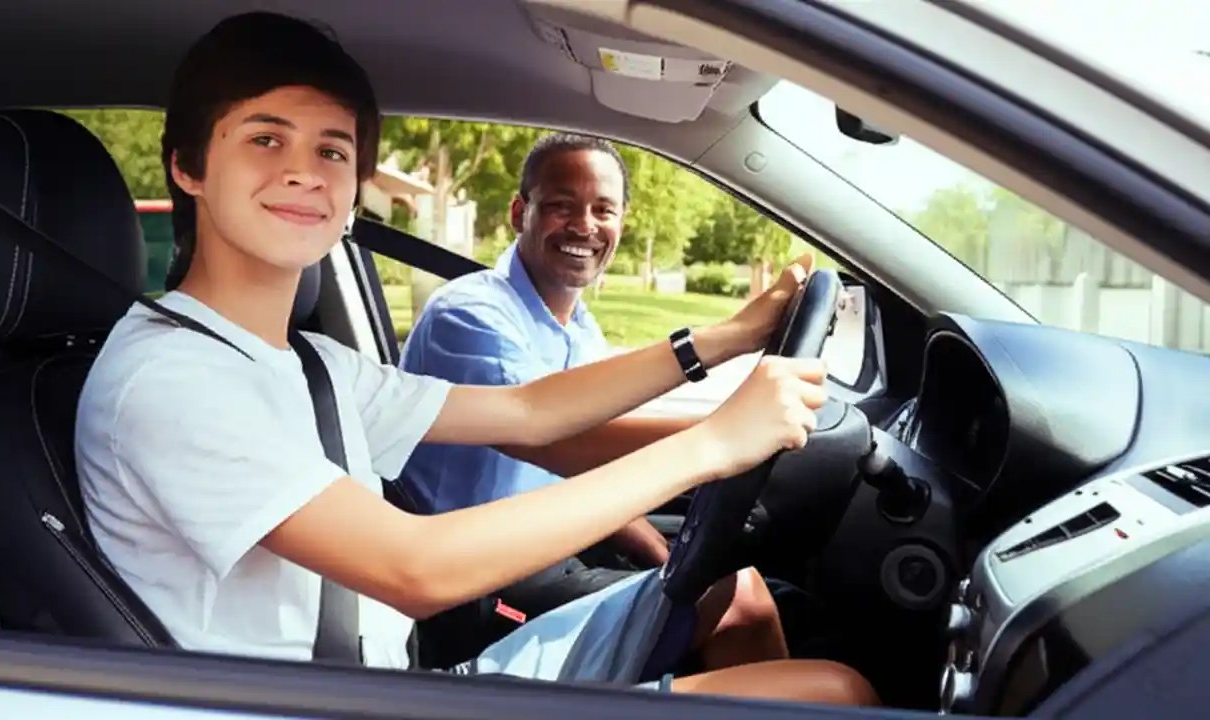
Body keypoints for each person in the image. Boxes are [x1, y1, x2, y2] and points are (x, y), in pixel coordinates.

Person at [74, 11, 877, 706]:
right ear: (187, 167)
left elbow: (532, 412)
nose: (301, 171)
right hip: (334, 701)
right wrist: (711, 445)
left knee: (751, 619)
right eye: (264, 138)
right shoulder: (170, 377)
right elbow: (411, 567)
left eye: (332, 151)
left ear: (355, 186)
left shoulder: (310, 361)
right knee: (831, 693)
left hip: (405, 674)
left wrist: (725, 339)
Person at [398, 133, 792, 656]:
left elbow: (586, 468)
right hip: (481, 576)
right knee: (742, 603)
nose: (584, 226)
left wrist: (658, 553)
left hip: (555, 532)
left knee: (753, 561)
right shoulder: (470, 315)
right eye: (562, 206)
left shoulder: (581, 328)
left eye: (602, 209)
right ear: (521, 213)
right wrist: (733, 426)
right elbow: (553, 441)